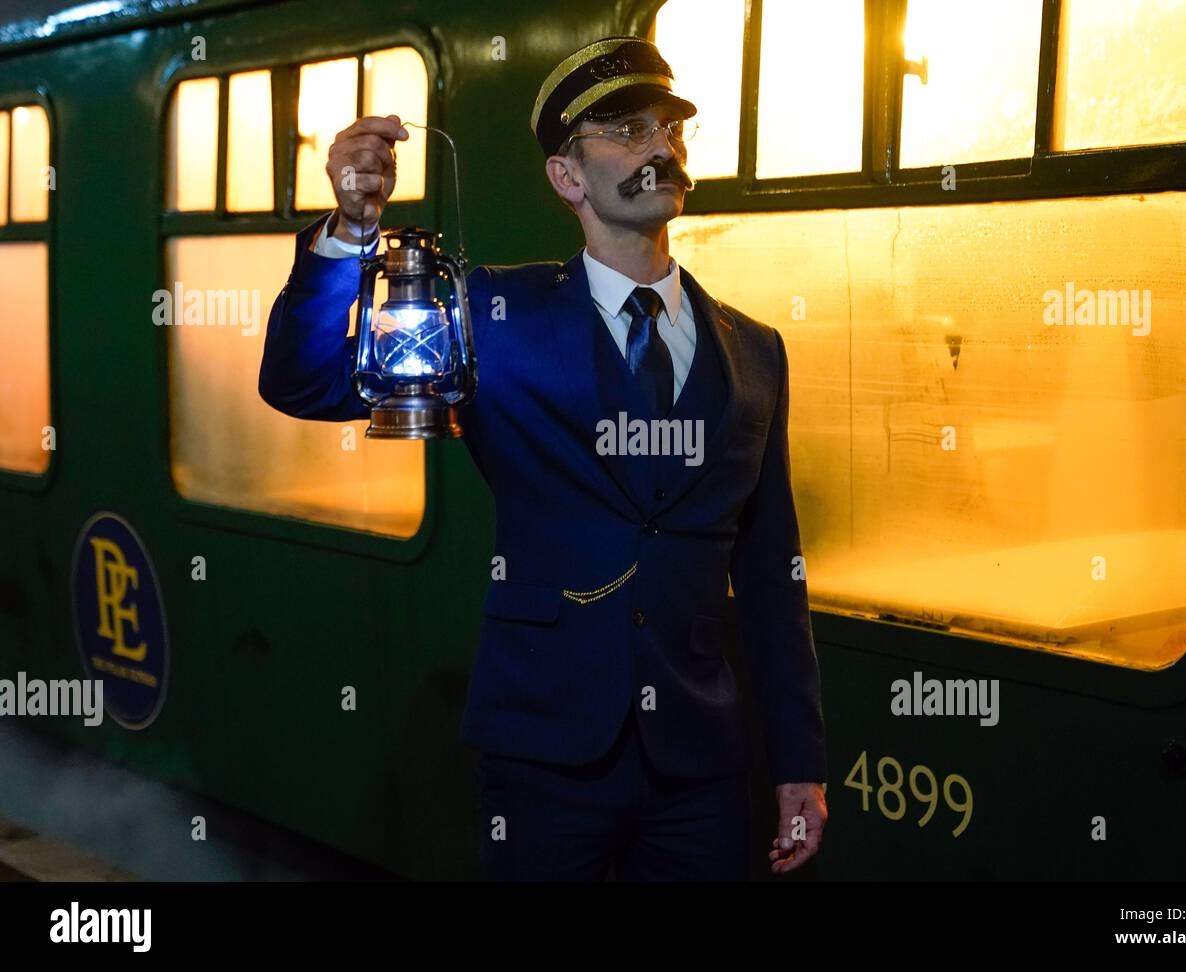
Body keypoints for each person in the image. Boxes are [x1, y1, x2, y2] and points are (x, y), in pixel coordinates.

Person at [259, 35, 827, 880]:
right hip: (544, 758)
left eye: (670, 130)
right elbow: (304, 382)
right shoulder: (494, 317)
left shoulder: (755, 353)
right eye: (628, 132)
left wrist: (798, 763)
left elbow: (773, 569)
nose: (660, 148)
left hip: (700, 766)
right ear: (567, 178)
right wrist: (350, 232)